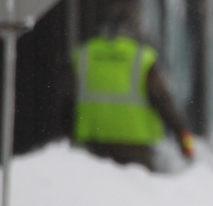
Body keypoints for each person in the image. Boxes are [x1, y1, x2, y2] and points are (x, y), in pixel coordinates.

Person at [72, 24, 195, 169]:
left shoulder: (84, 54)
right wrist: (183, 137)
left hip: (93, 141)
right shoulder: (141, 57)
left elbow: (67, 101)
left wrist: (70, 135)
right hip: (134, 145)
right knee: (135, 187)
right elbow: (163, 101)